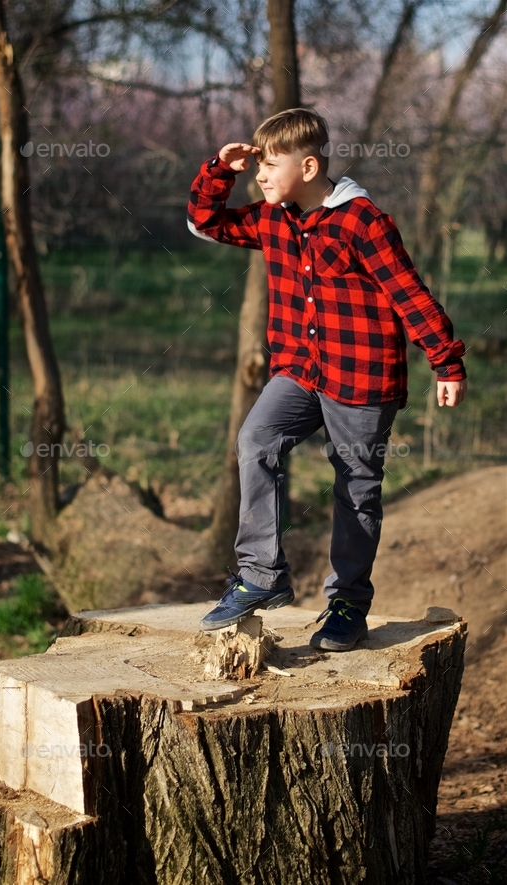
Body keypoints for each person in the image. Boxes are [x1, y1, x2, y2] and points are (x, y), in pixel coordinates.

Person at [187, 107, 467, 651]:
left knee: (356, 487)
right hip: (299, 370)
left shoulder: (363, 221)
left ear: (308, 166)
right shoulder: (275, 217)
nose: (259, 176)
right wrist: (218, 170)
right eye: (257, 168)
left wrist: (445, 360)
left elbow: (407, 292)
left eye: (268, 166)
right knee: (255, 439)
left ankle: (347, 605)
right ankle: (261, 575)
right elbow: (206, 222)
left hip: (362, 376)